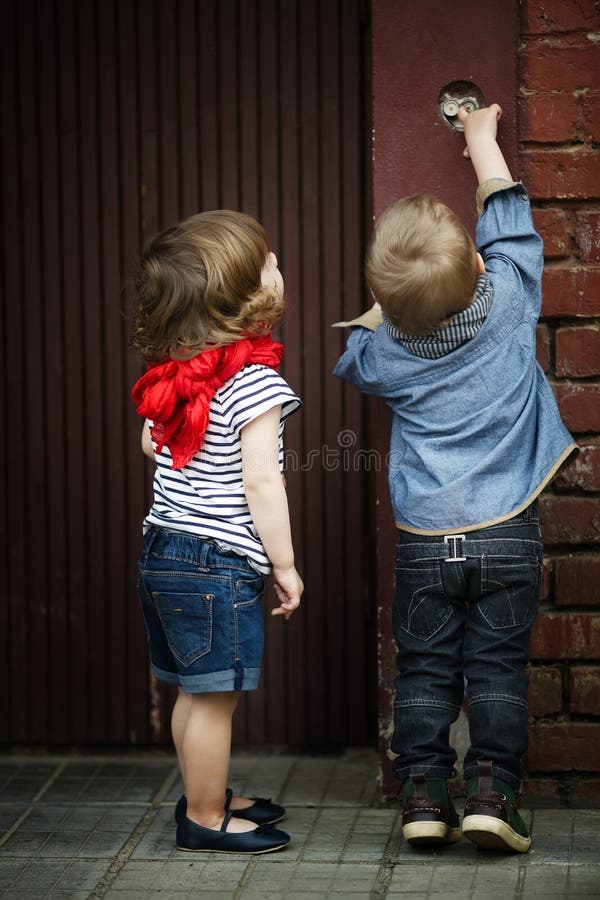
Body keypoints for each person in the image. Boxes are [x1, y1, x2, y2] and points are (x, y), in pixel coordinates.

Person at [333, 103, 577, 853]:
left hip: (424, 542)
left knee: (428, 670)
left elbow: (356, 361)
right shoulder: (509, 301)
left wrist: (385, 315)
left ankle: (424, 796)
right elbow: (510, 224)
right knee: (497, 667)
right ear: (476, 264)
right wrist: (480, 142)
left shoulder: (390, 353)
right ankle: (494, 793)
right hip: (508, 530)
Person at [131, 210, 303, 854]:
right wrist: (283, 566)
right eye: (271, 263)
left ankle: (206, 791)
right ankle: (203, 816)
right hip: (215, 562)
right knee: (215, 700)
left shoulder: (179, 372)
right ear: (247, 297)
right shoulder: (254, 383)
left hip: (162, 552)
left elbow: (152, 441)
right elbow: (262, 483)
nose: (280, 268)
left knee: (192, 690)